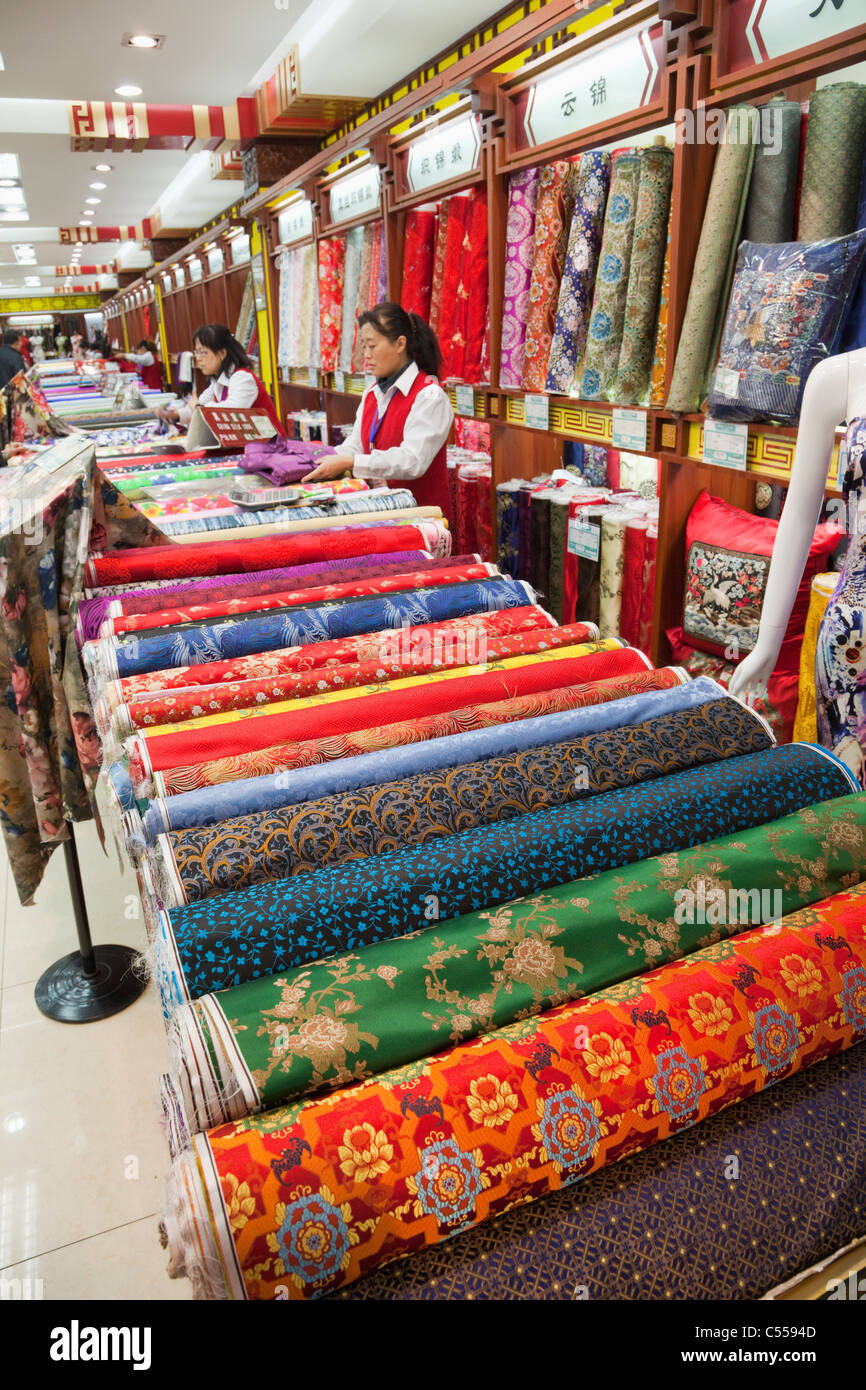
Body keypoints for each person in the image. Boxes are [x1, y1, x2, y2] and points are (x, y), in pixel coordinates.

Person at [301, 302, 453, 517]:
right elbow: (355, 445)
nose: (366, 355)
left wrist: (351, 462)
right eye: (364, 346)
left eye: (372, 346)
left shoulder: (429, 396)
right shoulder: (372, 393)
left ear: (400, 344)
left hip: (421, 518)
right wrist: (315, 461)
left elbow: (412, 461)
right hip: (382, 513)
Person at [157, 323, 283, 434]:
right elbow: (199, 407)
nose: (198, 358)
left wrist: (198, 407)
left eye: (203, 352)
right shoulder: (217, 381)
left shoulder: (242, 378)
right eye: (196, 352)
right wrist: (174, 415)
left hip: (269, 447)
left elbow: (232, 412)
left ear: (222, 353)